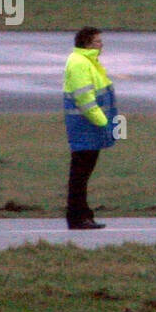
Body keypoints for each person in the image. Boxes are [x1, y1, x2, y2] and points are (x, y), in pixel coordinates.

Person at [62, 26, 118, 230]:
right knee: (79, 175)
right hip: (85, 128)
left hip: (90, 128)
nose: (101, 44)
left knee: (82, 174)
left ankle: (83, 214)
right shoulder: (79, 63)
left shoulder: (88, 61)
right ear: (87, 43)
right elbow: (84, 99)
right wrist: (103, 122)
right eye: (97, 41)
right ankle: (77, 216)